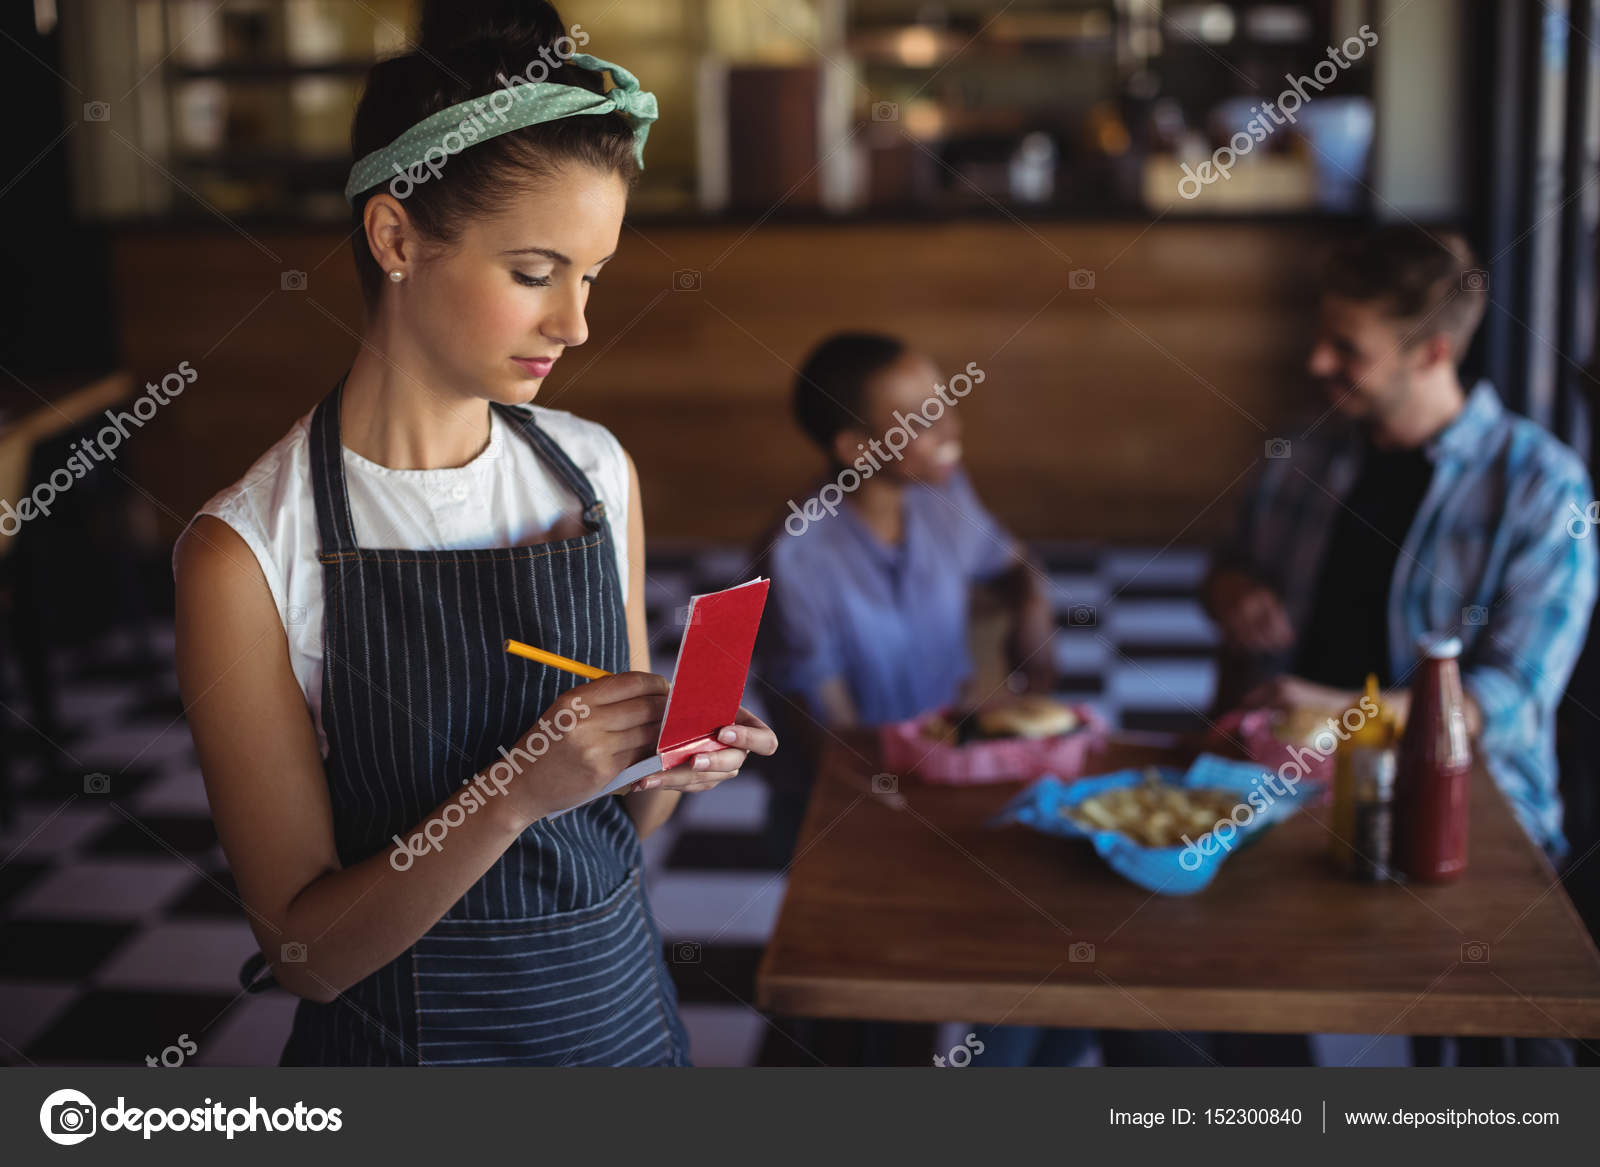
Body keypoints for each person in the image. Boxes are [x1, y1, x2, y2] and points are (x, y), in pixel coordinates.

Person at [172, 0, 776, 1066]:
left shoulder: (594, 473)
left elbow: (612, 836)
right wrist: (509, 798)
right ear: (396, 235)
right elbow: (307, 957)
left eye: (593, 278)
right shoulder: (243, 555)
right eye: (535, 274)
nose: (576, 324)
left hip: (624, 1036)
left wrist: (664, 770)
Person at [1205, 224, 1598, 1066]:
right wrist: (1232, 590)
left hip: (1468, 809)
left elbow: (1512, 695)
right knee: (1182, 992)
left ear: (1431, 355)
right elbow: (1226, 567)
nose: (1316, 362)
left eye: (1346, 348)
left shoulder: (1543, 485)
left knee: (1523, 1053)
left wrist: (1344, 711)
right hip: (1277, 790)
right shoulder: (1302, 453)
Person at [751, 331, 1063, 1066]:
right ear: (857, 447)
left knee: (1058, 980)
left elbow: (1009, 561)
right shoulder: (796, 556)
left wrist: (1030, 601)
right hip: (844, 815)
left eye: (948, 400)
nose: (951, 426)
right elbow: (832, 742)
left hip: (941, 781)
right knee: (869, 1025)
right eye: (922, 417)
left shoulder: (944, 495)